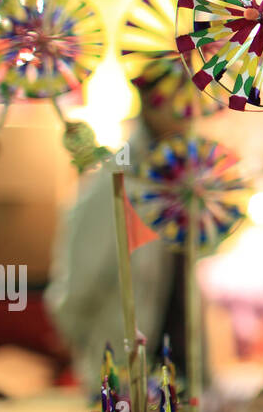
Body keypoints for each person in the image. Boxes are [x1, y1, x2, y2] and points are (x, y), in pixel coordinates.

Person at [45, 60, 191, 394]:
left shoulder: (185, 180)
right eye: (178, 99)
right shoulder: (113, 185)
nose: (189, 111)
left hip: (178, 375)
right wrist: (97, 354)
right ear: (150, 103)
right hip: (122, 378)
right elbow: (75, 292)